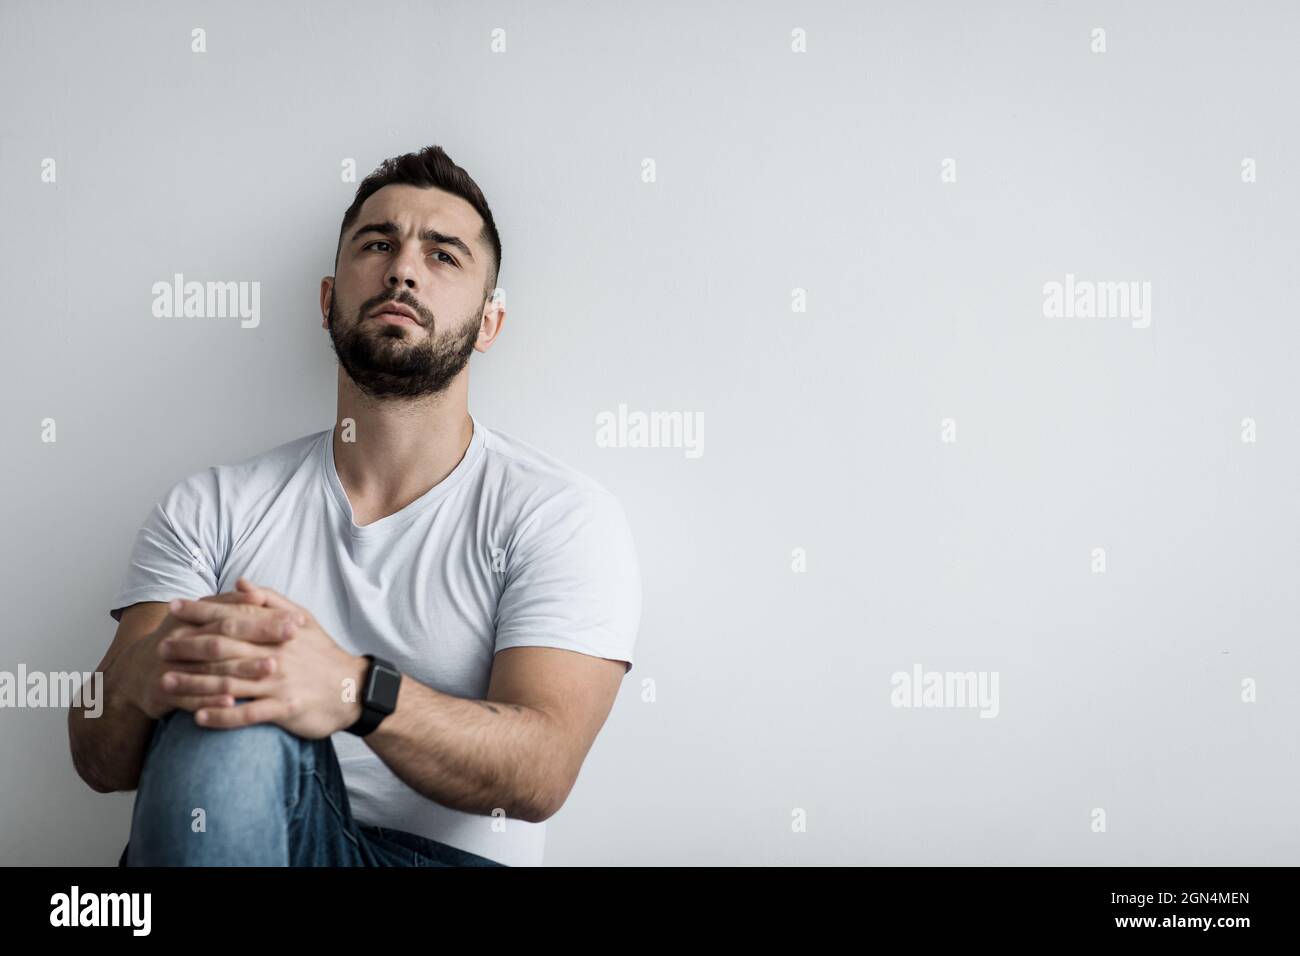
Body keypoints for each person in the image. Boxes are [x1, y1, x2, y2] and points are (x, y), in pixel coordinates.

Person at [66, 145, 642, 867]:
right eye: (378, 244)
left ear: (489, 325)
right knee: (237, 690)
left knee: (253, 678)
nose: (403, 268)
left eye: (443, 255)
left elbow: (542, 768)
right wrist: (150, 677)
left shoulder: (559, 514)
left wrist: (349, 688)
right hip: (251, 843)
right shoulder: (213, 504)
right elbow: (97, 758)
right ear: (327, 300)